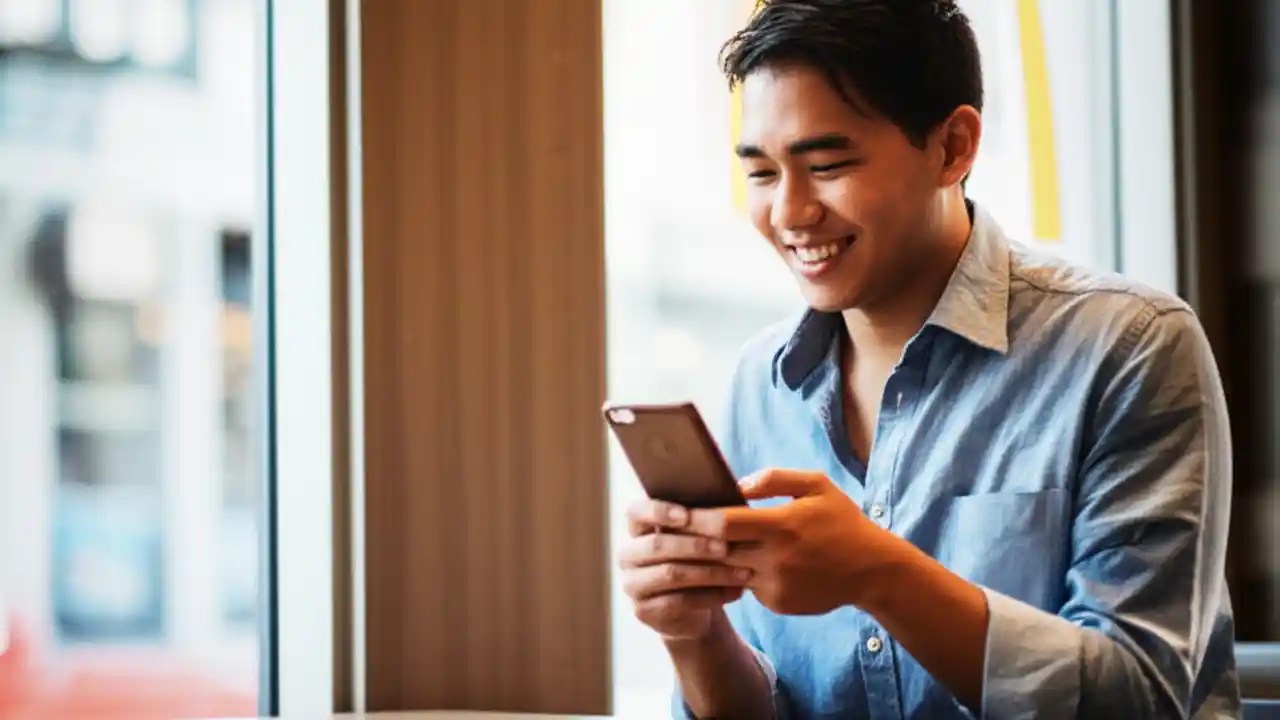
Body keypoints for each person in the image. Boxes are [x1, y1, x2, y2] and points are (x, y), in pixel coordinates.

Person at [614, 1, 1240, 717]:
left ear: (953, 147)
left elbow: (1144, 696)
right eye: (761, 174)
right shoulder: (761, 384)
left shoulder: (1129, 348)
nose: (788, 212)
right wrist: (693, 634)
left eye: (827, 164)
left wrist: (882, 574)